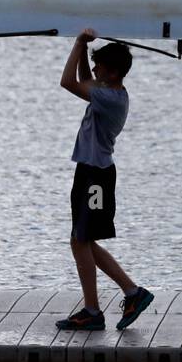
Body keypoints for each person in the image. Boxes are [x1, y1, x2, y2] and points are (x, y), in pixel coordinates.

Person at [55, 29, 153, 331]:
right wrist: (85, 47)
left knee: (80, 240)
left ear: (113, 73)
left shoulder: (110, 98)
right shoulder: (107, 90)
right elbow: (86, 76)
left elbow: (68, 81)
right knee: (81, 240)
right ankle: (130, 294)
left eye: (100, 67)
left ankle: (95, 310)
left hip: (95, 176)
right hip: (90, 172)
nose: (94, 70)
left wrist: (77, 44)